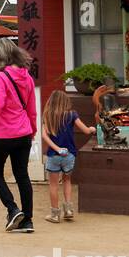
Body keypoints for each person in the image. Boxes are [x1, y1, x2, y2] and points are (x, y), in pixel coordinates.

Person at [0, 39, 37, 233]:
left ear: (0, 58)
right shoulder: (27, 77)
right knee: (22, 175)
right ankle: (28, 220)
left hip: (3, 134)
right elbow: (31, 108)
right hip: (24, 132)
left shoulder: (1, 78)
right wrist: (33, 130)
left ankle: (12, 209)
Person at [40, 90, 95, 222]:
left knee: (53, 184)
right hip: (69, 155)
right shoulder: (72, 114)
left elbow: (44, 135)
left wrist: (57, 149)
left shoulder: (48, 115)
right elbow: (86, 130)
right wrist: (92, 129)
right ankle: (68, 210)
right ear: (65, 102)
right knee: (67, 181)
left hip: (53, 155)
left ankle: (54, 214)